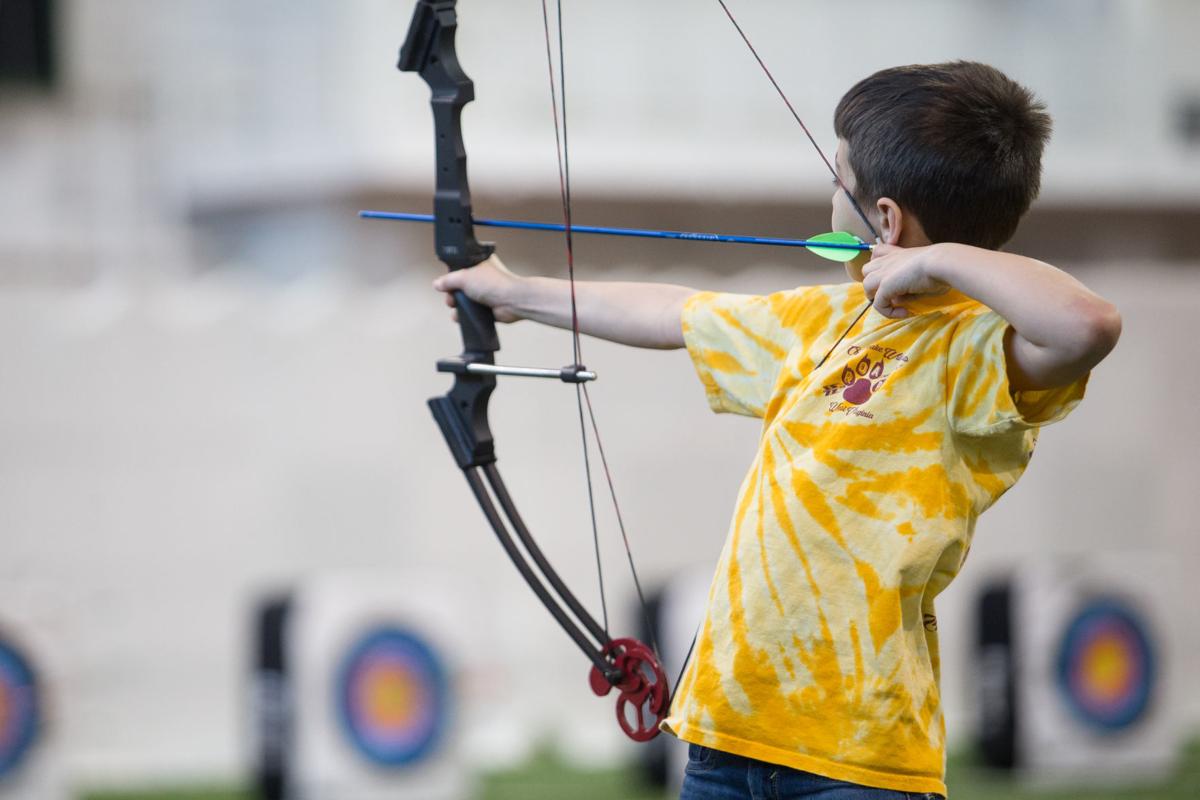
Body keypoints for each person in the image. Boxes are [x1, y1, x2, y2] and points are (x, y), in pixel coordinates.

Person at [432, 61, 1121, 799]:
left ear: (885, 221)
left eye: (839, 180)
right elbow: (672, 313)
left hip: (858, 758)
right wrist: (513, 293)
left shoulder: (976, 350)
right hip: (724, 733)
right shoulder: (819, 320)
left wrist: (940, 260)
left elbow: (1087, 324)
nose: (830, 194)